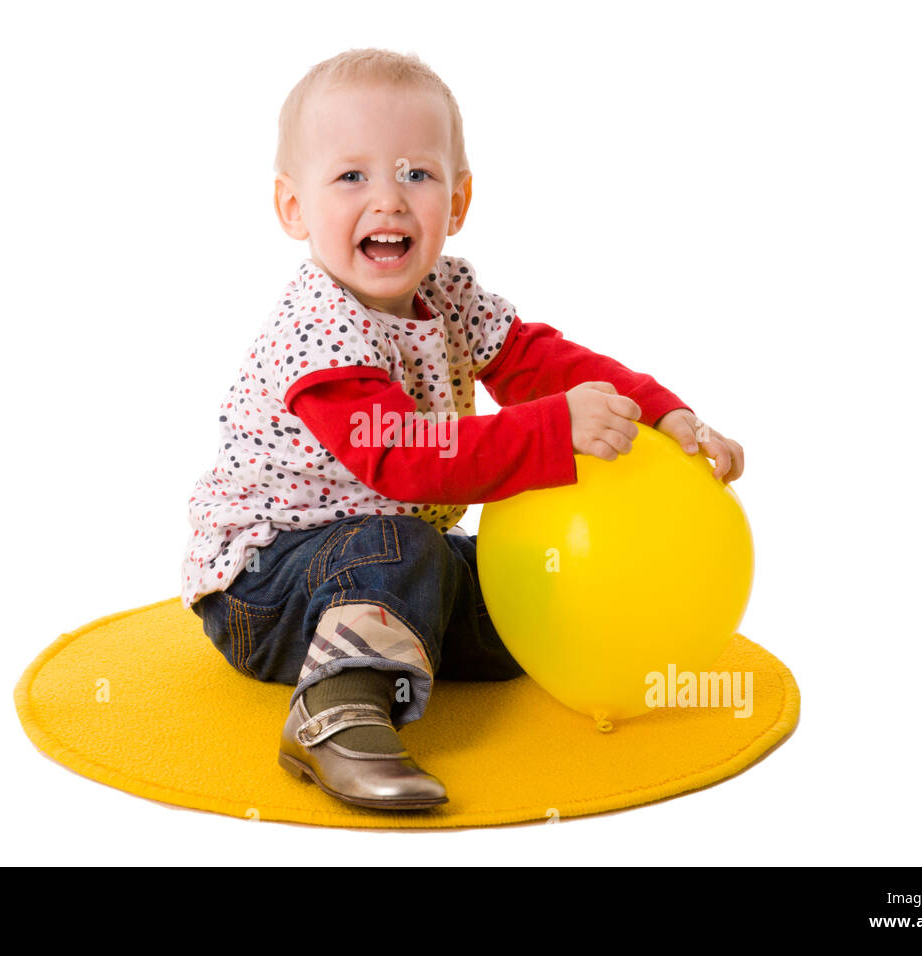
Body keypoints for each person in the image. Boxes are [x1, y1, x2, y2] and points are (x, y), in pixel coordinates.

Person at [181, 48, 745, 810]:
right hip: (265, 588)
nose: (387, 201)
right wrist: (553, 433)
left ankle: (419, 644)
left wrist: (661, 409)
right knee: (400, 546)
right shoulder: (318, 335)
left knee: (505, 582)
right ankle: (333, 713)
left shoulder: (447, 290)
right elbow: (405, 460)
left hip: (385, 553)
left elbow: (539, 361)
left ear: (458, 201)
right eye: (352, 176)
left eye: (416, 173)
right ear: (292, 207)